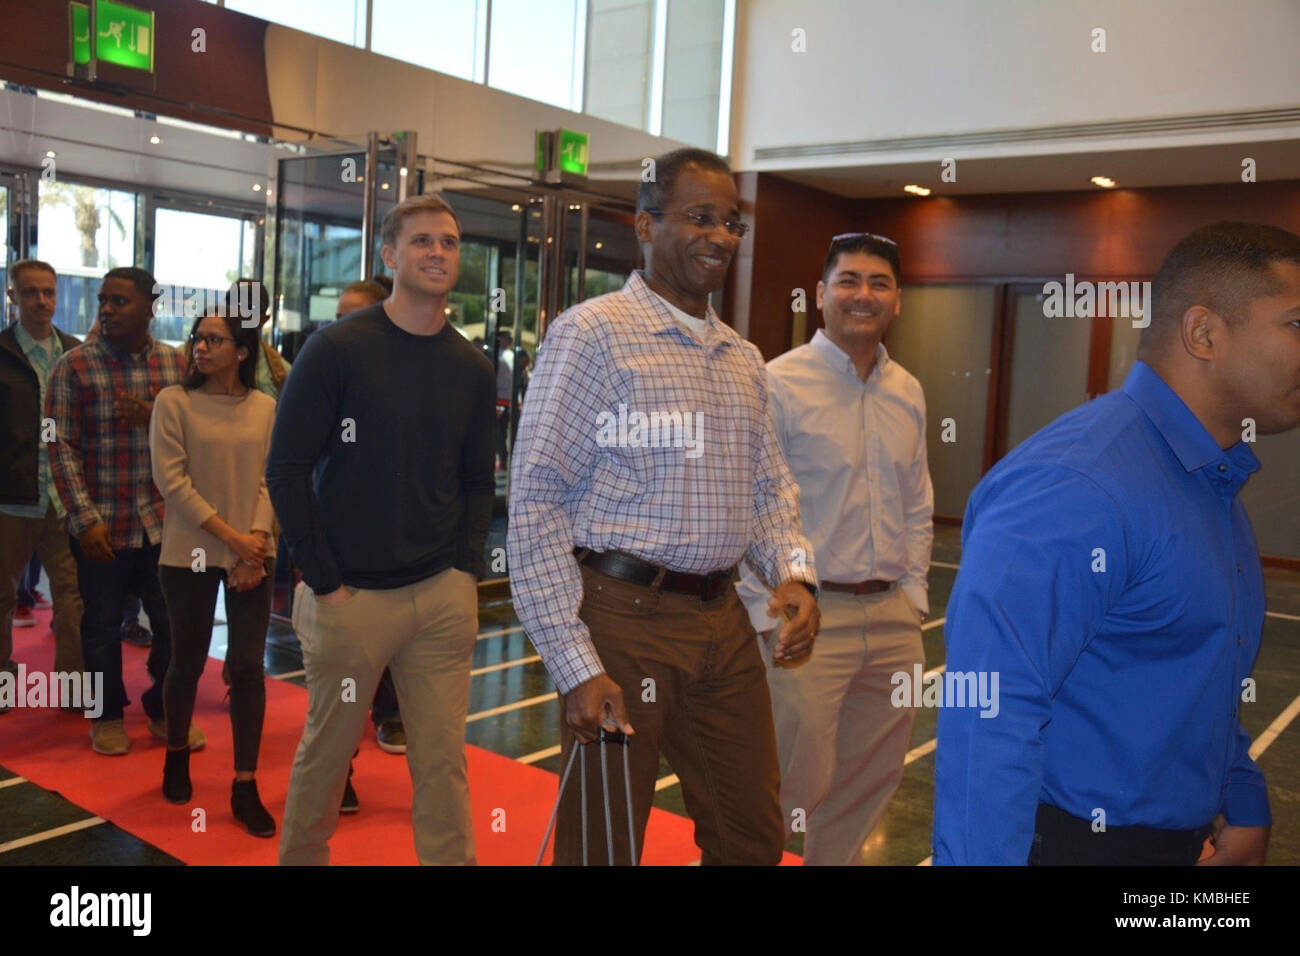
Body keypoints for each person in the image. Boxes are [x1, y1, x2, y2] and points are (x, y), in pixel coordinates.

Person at [933, 221, 1300, 866]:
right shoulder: (1076, 484)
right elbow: (988, 719)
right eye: (1298, 324)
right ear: (1204, 333)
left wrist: (1241, 799)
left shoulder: (1212, 477)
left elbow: (1204, 676)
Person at [507, 147, 820, 866]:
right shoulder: (591, 335)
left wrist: (795, 575)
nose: (720, 237)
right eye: (699, 218)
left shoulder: (743, 358)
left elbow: (770, 487)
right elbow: (537, 501)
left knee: (753, 835)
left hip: (723, 620)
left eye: (732, 223)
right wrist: (574, 662)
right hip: (622, 618)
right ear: (644, 226)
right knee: (604, 841)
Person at [269, 193, 495, 866]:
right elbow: (285, 468)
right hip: (351, 600)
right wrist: (326, 576)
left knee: (442, 764)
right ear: (391, 256)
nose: (437, 252)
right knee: (327, 759)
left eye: (449, 242)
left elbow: (479, 480)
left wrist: (465, 570)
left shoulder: (472, 367)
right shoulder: (337, 349)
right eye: (422, 241)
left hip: (440, 599)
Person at [737, 232, 933, 865]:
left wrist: (914, 596)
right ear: (820, 294)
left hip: (892, 618)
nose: (862, 294)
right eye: (848, 280)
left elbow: (917, 501)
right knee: (789, 784)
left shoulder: (908, 389)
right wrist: (764, 614)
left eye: (879, 283)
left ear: (898, 300)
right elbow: (751, 504)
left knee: (869, 781)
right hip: (808, 622)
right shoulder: (778, 383)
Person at [47, 266, 202, 755]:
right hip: (102, 524)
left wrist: (156, 410)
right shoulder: (73, 367)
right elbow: (60, 446)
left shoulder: (178, 368)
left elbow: (198, 437)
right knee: (100, 628)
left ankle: (161, 705)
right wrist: (83, 518)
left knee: (175, 625)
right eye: (103, 300)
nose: (107, 311)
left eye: (119, 302)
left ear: (150, 307)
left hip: (164, 524)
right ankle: (107, 714)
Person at [151, 303, 277, 835]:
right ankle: (176, 752)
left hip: (253, 550)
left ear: (242, 352)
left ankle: (244, 784)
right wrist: (234, 541)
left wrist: (258, 543)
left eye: (214, 340)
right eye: (196, 338)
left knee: (248, 669)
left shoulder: (266, 408)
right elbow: (172, 482)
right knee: (186, 662)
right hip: (190, 553)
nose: (200, 348)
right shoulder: (173, 402)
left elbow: (274, 478)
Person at [1, 260, 85, 710]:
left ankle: (72, 688)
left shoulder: (74, 354)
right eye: (30, 292)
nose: (41, 301)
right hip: (11, 499)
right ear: (12, 296)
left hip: (64, 498)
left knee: (73, 598)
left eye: (48, 292)